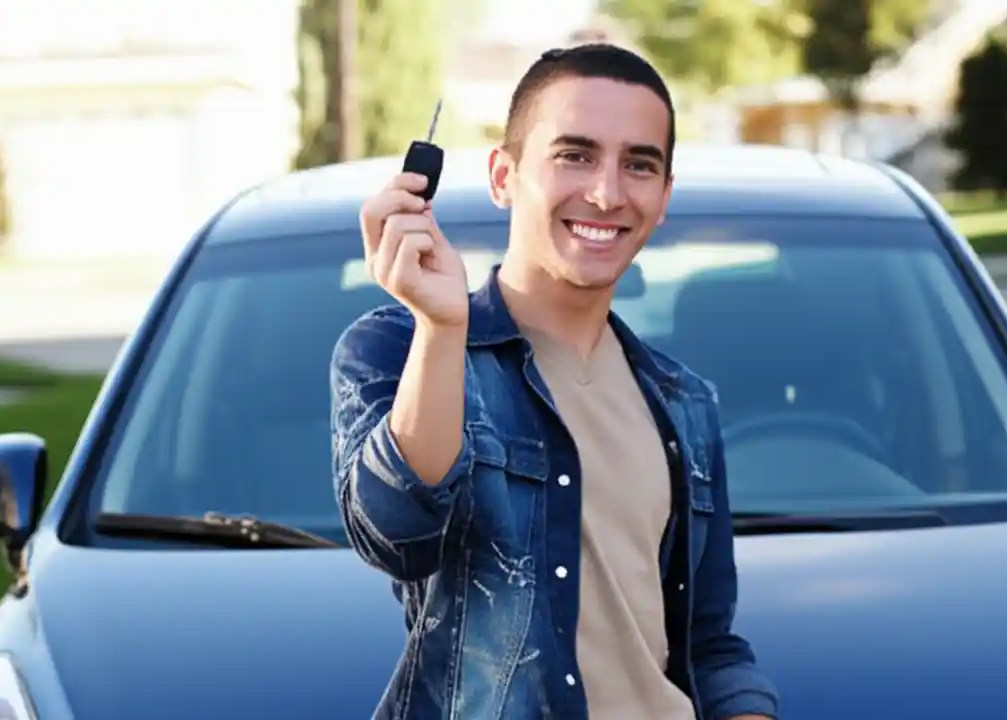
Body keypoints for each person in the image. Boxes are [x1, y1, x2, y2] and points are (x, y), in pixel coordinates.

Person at [330, 42, 779, 720]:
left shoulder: (685, 404)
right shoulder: (398, 349)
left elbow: (708, 645)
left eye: (638, 164)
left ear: (663, 197)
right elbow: (396, 535)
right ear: (503, 176)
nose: (606, 192)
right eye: (574, 155)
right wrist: (442, 327)